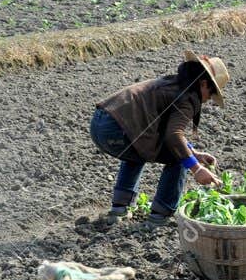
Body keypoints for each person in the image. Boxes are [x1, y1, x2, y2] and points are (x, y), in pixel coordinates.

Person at [91, 51, 229, 225]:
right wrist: (196, 168)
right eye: (211, 93)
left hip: (99, 124)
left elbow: (166, 131)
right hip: (117, 130)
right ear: (203, 84)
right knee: (178, 158)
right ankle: (160, 215)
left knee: (140, 147)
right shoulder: (188, 96)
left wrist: (194, 153)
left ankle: (119, 209)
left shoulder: (172, 84)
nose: (208, 100)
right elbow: (173, 137)